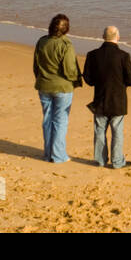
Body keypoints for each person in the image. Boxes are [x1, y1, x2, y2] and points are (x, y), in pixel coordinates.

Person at [82, 26, 131, 169]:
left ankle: (101, 160)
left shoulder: (93, 55)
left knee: (100, 131)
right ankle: (117, 161)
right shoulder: (123, 56)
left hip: (100, 99)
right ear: (117, 37)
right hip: (117, 100)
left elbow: (88, 79)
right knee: (117, 132)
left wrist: (98, 81)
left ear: (103, 36)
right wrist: (122, 83)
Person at [32, 14, 82, 163]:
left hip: (44, 85)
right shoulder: (66, 45)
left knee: (48, 119)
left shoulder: (42, 41)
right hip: (62, 87)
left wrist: (41, 78)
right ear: (66, 29)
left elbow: (36, 65)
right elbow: (69, 69)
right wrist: (76, 79)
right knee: (60, 121)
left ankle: (48, 154)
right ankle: (58, 155)